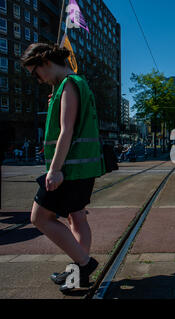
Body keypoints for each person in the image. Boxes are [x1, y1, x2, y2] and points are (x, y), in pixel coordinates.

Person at [21, 43, 105, 292]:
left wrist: (55, 169)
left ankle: (84, 264)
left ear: (45, 62)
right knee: (76, 218)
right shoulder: (74, 85)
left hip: (69, 169)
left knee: (39, 217)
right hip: (82, 168)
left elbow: (66, 131)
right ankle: (78, 276)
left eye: (35, 73)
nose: (37, 79)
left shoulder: (68, 85)